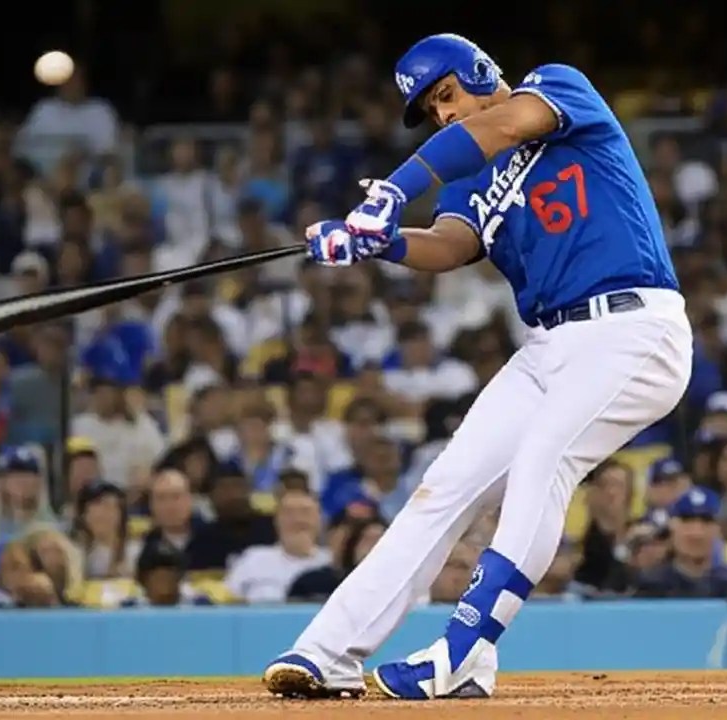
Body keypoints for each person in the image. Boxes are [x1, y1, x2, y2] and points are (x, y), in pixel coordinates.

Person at [264, 33, 692, 701]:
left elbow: (502, 124)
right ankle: (329, 652)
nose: (443, 113)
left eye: (446, 94)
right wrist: (379, 241)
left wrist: (395, 189)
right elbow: (452, 244)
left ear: (479, 72)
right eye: (430, 109)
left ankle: (464, 648)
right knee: (445, 485)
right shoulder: (468, 171)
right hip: (551, 343)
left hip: (633, 326)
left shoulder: (554, 88)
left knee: (544, 459)